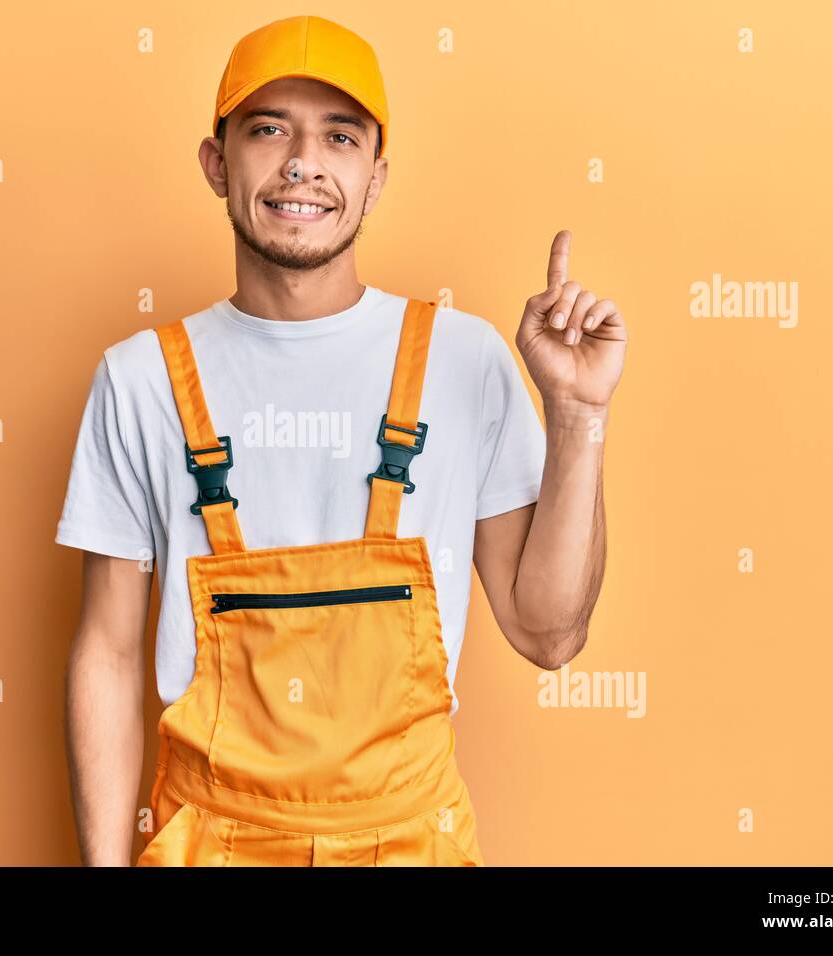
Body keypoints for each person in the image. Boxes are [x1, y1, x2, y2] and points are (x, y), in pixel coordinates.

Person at [56, 15, 627, 866]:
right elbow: (105, 650)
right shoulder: (139, 380)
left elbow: (549, 635)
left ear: (375, 177)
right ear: (217, 164)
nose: (302, 162)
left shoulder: (466, 361)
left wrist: (578, 417)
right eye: (267, 128)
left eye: (339, 136)